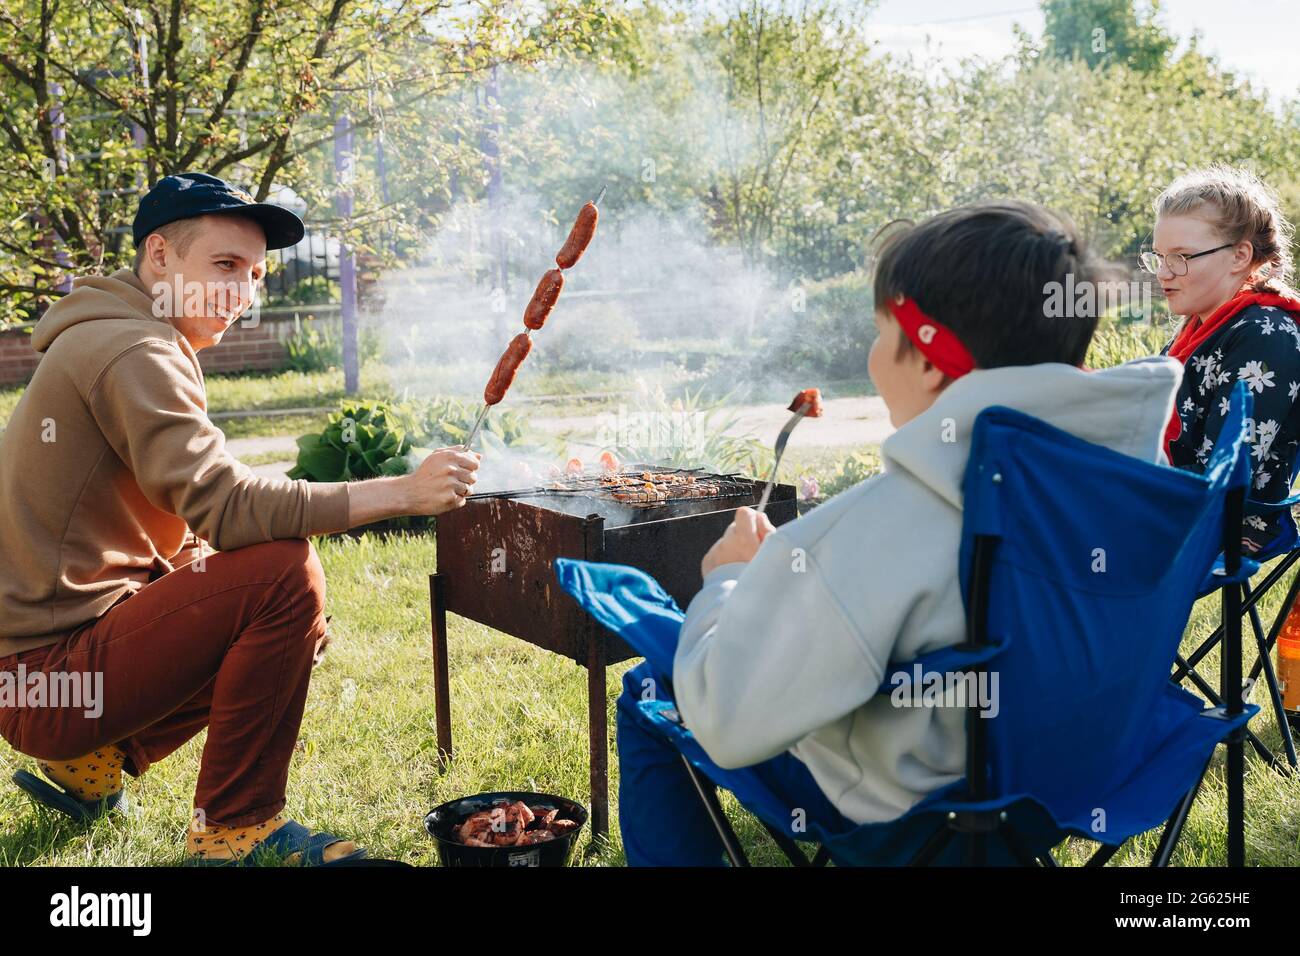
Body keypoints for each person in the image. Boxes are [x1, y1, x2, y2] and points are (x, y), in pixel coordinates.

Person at [615, 200, 1185, 865]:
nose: (870, 357)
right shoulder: (1140, 476)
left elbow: (728, 722)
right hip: (1079, 775)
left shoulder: (877, 529)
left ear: (930, 358)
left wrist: (729, 580)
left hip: (912, 805)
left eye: (881, 330)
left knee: (648, 691)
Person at [0, 172, 480, 865]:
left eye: (255, 274)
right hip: (46, 684)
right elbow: (229, 507)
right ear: (159, 256)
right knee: (284, 576)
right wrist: (401, 492)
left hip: (42, 676)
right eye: (224, 265)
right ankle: (235, 827)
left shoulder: (127, 333)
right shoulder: (134, 349)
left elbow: (192, 519)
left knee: (287, 616)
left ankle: (98, 758)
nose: (244, 291)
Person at [1147, 165, 1300, 554]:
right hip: (1165, 497)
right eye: (1159, 257)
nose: (1164, 273)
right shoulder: (1202, 324)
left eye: (1181, 257)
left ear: (1239, 256)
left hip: (1221, 520)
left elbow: (1224, 472)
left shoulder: (1266, 334)